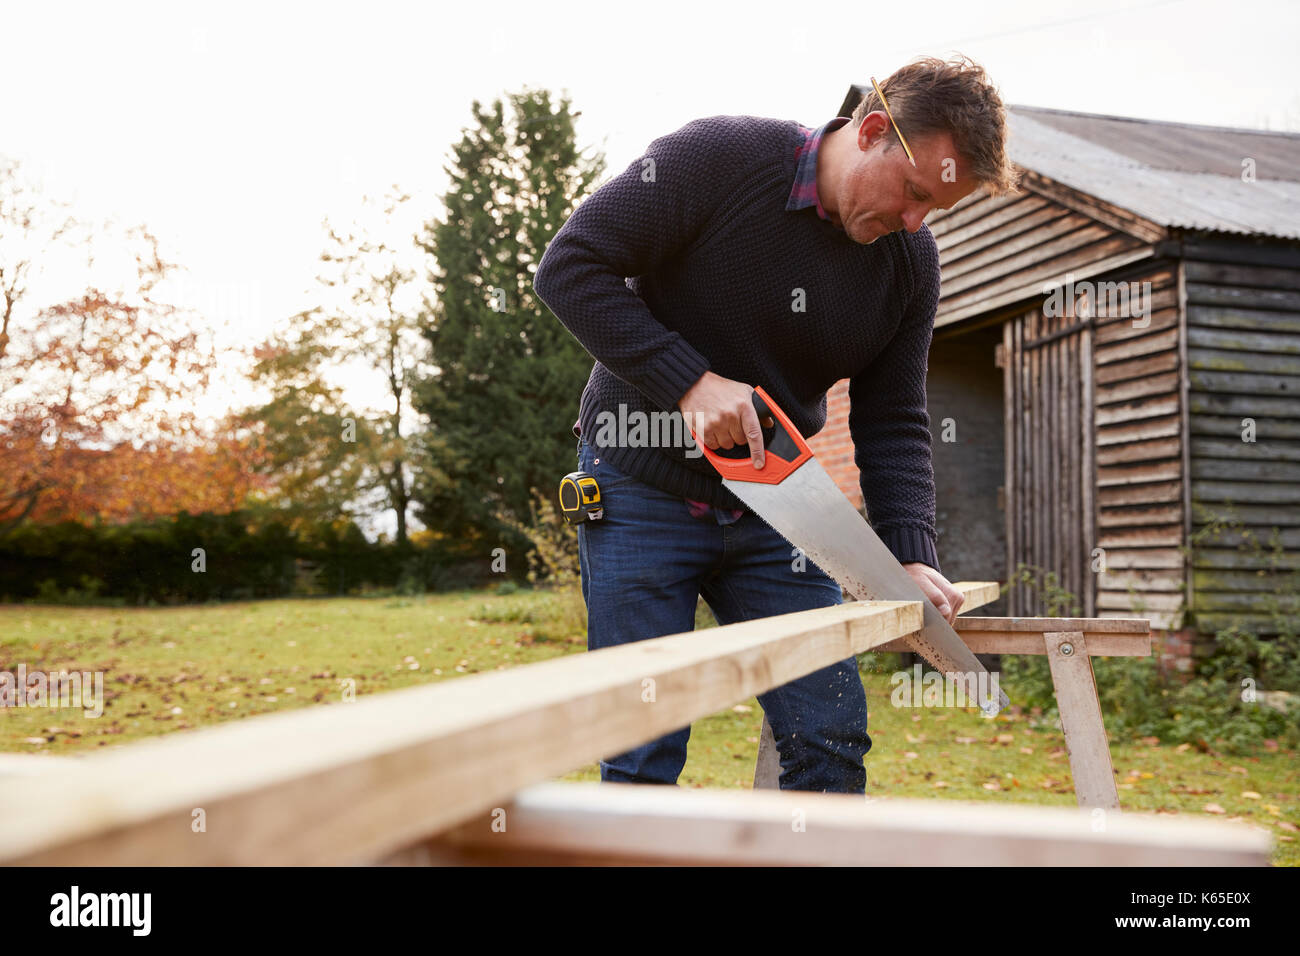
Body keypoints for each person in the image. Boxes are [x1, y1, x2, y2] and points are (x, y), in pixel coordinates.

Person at [532, 56, 1017, 793]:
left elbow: (894, 420)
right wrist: (687, 382)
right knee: (642, 749)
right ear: (874, 130)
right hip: (638, 489)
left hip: (774, 509)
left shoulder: (910, 262)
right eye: (914, 193)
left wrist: (908, 552)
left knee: (829, 739)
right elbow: (569, 266)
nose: (916, 223)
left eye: (934, 212)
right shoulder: (715, 159)